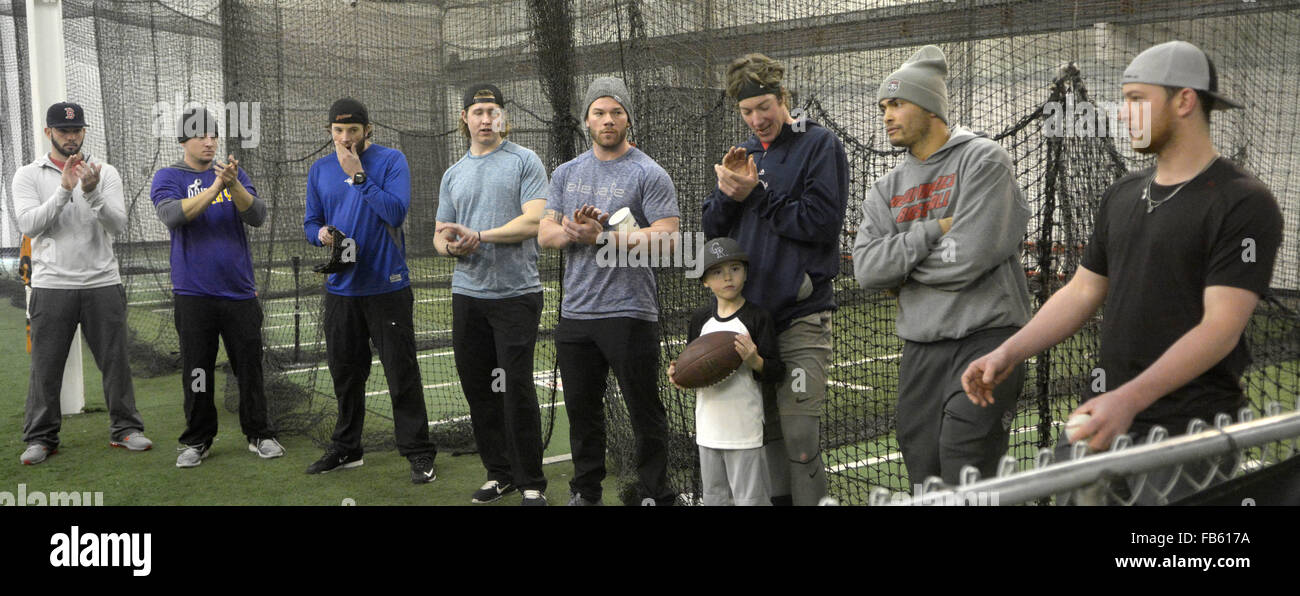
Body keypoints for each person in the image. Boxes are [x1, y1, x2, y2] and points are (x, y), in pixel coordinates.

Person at [962, 41, 1283, 503]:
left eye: (1136, 98)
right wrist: (1009, 352)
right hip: (1104, 419)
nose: (1123, 112)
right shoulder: (1122, 195)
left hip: (1189, 433)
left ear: (1185, 100)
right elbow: (1082, 291)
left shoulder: (1243, 203)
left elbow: (1220, 330)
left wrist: (1129, 399)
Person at [852, 45, 1033, 486]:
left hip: (987, 338)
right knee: (923, 469)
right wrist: (934, 230)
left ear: (931, 107)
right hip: (921, 347)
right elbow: (867, 270)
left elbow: (971, 256)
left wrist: (906, 272)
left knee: (966, 467)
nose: (886, 115)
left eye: (897, 103)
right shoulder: (885, 188)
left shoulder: (983, 159)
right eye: (883, 107)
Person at [702, 53, 848, 505]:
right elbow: (713, 232)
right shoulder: (746, 155)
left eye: (764, 106)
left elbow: (821, 223)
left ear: (784, 98)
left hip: (802, 318)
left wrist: (758, 194)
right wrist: (727, 195)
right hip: (752, 323)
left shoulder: (820, 144)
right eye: (747, 111)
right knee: (760, 437)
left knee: (800, 438)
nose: (757, 119)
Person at [537, 77, 681, 506]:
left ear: (628, 119)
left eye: (616, 112)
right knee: (583, 411)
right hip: (577, 314)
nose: (607, 120)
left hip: (630, 311)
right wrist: (571, 231)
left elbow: (669, 239)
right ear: (587, 120)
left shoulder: (648, 172)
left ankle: (656, 492)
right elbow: (544, 232)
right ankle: (586, 491)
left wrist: (602, 237)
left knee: (644, 410)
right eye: (599, 112)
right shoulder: (566, 172)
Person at [303, 97, 437, 484]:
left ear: (368, 130)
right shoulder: (319, 170)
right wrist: (322, 234)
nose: (346, 139)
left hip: (387, 286)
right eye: (339, 132)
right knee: (345, 373)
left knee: (401, 372)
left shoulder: (391, 160)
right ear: (330, 132)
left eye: (354, 132)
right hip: (341, 288)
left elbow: (395, 212)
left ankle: (418, 451)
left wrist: (359, 174)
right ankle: (347, 448)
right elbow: (311, 222)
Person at [12, 101, 152, 464]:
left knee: (115, 362)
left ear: (84, 132)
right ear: (49, 133)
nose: (70, 137)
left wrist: (91, 193)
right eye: (63, 131)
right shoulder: (28, 175)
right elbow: (29, 225)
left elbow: (118, 225)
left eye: (76, 130)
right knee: (46, 366)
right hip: (51, 285)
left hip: (102, 282)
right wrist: (63, 190)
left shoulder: (105, 172)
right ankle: (41, 438)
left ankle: (126, 429)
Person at [435, 84, 549, 505]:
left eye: (493, 112)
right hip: (468, 294)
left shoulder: (524, 161)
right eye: (478, 111)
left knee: (515, 387)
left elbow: (534, 221)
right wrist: (450, 246)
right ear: (464, 118)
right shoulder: (453, 174)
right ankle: (498, 473)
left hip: (516, 295)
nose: (485, 119)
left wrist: (479, 236)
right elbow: (439, 234)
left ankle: (531, 481)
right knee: (480, 388)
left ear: (504, 118)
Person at [150, 107, 283, 468]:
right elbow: (174, 216)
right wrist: (215, 187)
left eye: (213, 136)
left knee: (249, 367)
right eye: (200, 136)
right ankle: (198, 439)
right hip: (194, 295)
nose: (209, 142)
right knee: (197, 370)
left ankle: (260, 433)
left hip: (239, 292)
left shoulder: (232, 174)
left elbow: (256, 215)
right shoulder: (168, 177)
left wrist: (233, 184)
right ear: (183, 140)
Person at [670, 237, 785, 506]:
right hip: (708, 430)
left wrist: (755, 361)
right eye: (717, 272)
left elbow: (777, 370)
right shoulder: (700, 319)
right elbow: (693, 367)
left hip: (745, 431)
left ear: (745, 273)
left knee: (750, 500)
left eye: (735, 268)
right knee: (714, 499)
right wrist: (677, 374)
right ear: (705, 281)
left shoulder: (758, 318)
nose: (728, 277)